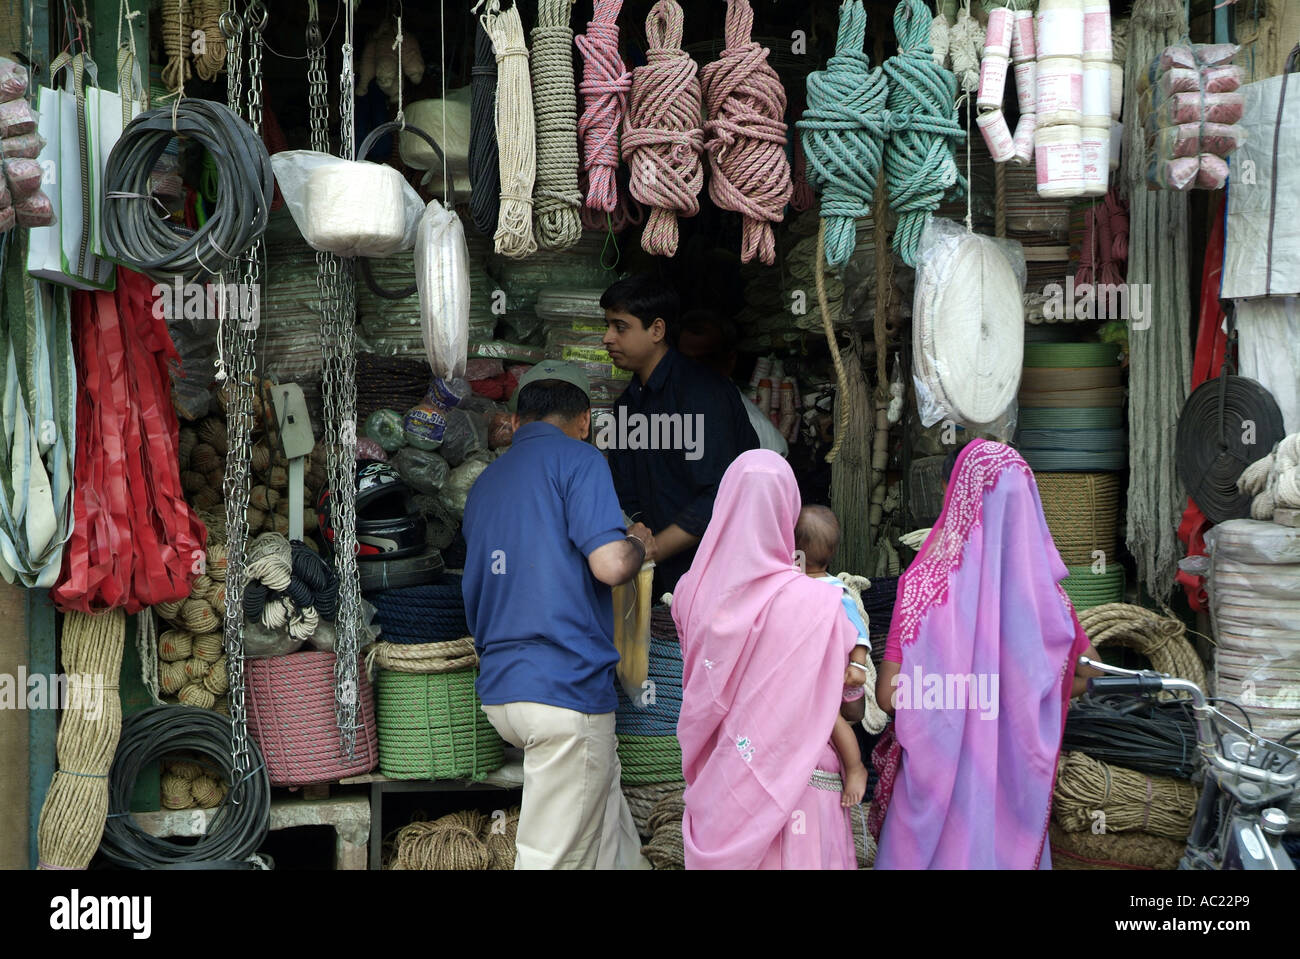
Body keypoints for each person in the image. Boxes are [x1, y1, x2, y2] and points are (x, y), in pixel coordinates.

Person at [869, 439, 1102, 869]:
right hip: (1007, 817)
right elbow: (1088, 675)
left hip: (933, 811)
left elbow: (887, 697)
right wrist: (1015, 704)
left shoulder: (923, 589)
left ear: (955, 495)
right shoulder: (1051, 606)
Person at [461, 361, 650, 870]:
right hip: (563, 692)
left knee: (610, 836)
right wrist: (638, 543)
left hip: (504, 692)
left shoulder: (485, 482)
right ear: (585, 421)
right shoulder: (581, 459)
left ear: (515, 422)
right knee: (552, 858)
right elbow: (610, 565)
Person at [673, 450, 866, 869]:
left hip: (723, 789)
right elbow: (852, 708)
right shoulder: (818, 602)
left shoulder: (690, 593)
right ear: (787, 513)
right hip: (803, 788)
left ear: (724, 503)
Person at [600, 275, 759, 596]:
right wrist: (639, 539)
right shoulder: (627, 405)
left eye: (620, 327)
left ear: (657, 330)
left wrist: (652, 549)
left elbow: (721, 494)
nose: (607, 338)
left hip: (713, 577)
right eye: (607, 326)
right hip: (655, 578)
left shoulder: (701, 394)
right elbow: (625, 490)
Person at [794, 505, 870, 805]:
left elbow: (858, 630)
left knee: (834, 720)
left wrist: (858, 665)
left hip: (838, 673)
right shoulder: (792, 585)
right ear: (834, 551)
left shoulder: (837, 591)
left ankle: (855, 767)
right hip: (818, 673)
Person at [675, 309, 789, 457]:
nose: (694, 371)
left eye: (705, 360)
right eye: (686, 361)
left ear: (730, 360)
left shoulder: (755, 427)